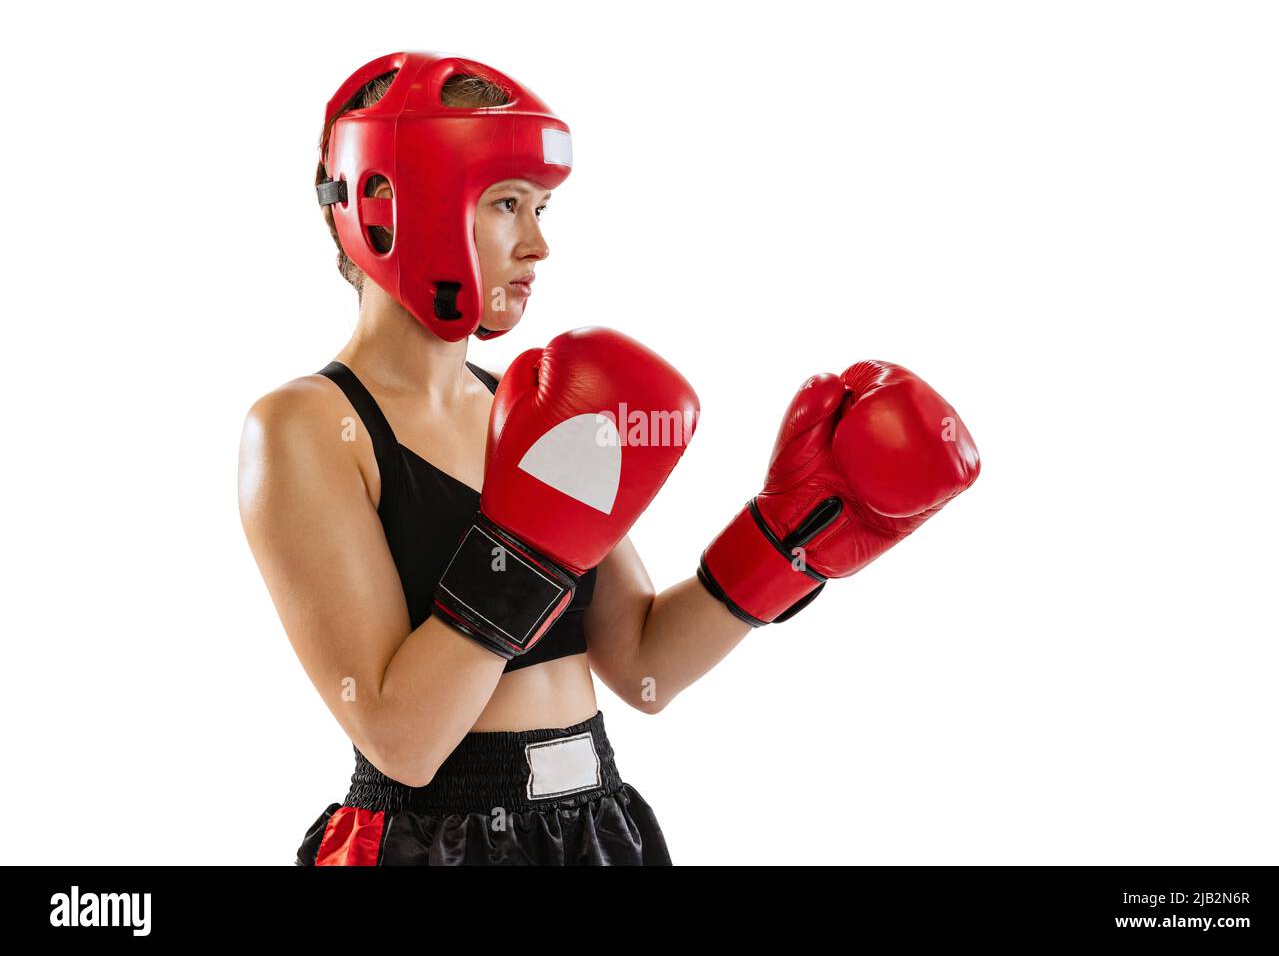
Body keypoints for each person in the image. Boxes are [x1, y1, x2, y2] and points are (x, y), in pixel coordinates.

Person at [238, 51, 981, 867]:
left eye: (543, 206)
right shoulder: (305, 427)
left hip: (598, 825)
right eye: (507, 204)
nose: (538, 243)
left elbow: (642, 664)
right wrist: (524, 550)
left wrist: (793, 536)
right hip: (432, 841)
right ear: (403, 206)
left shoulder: (528, 405)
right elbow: (402, 742)